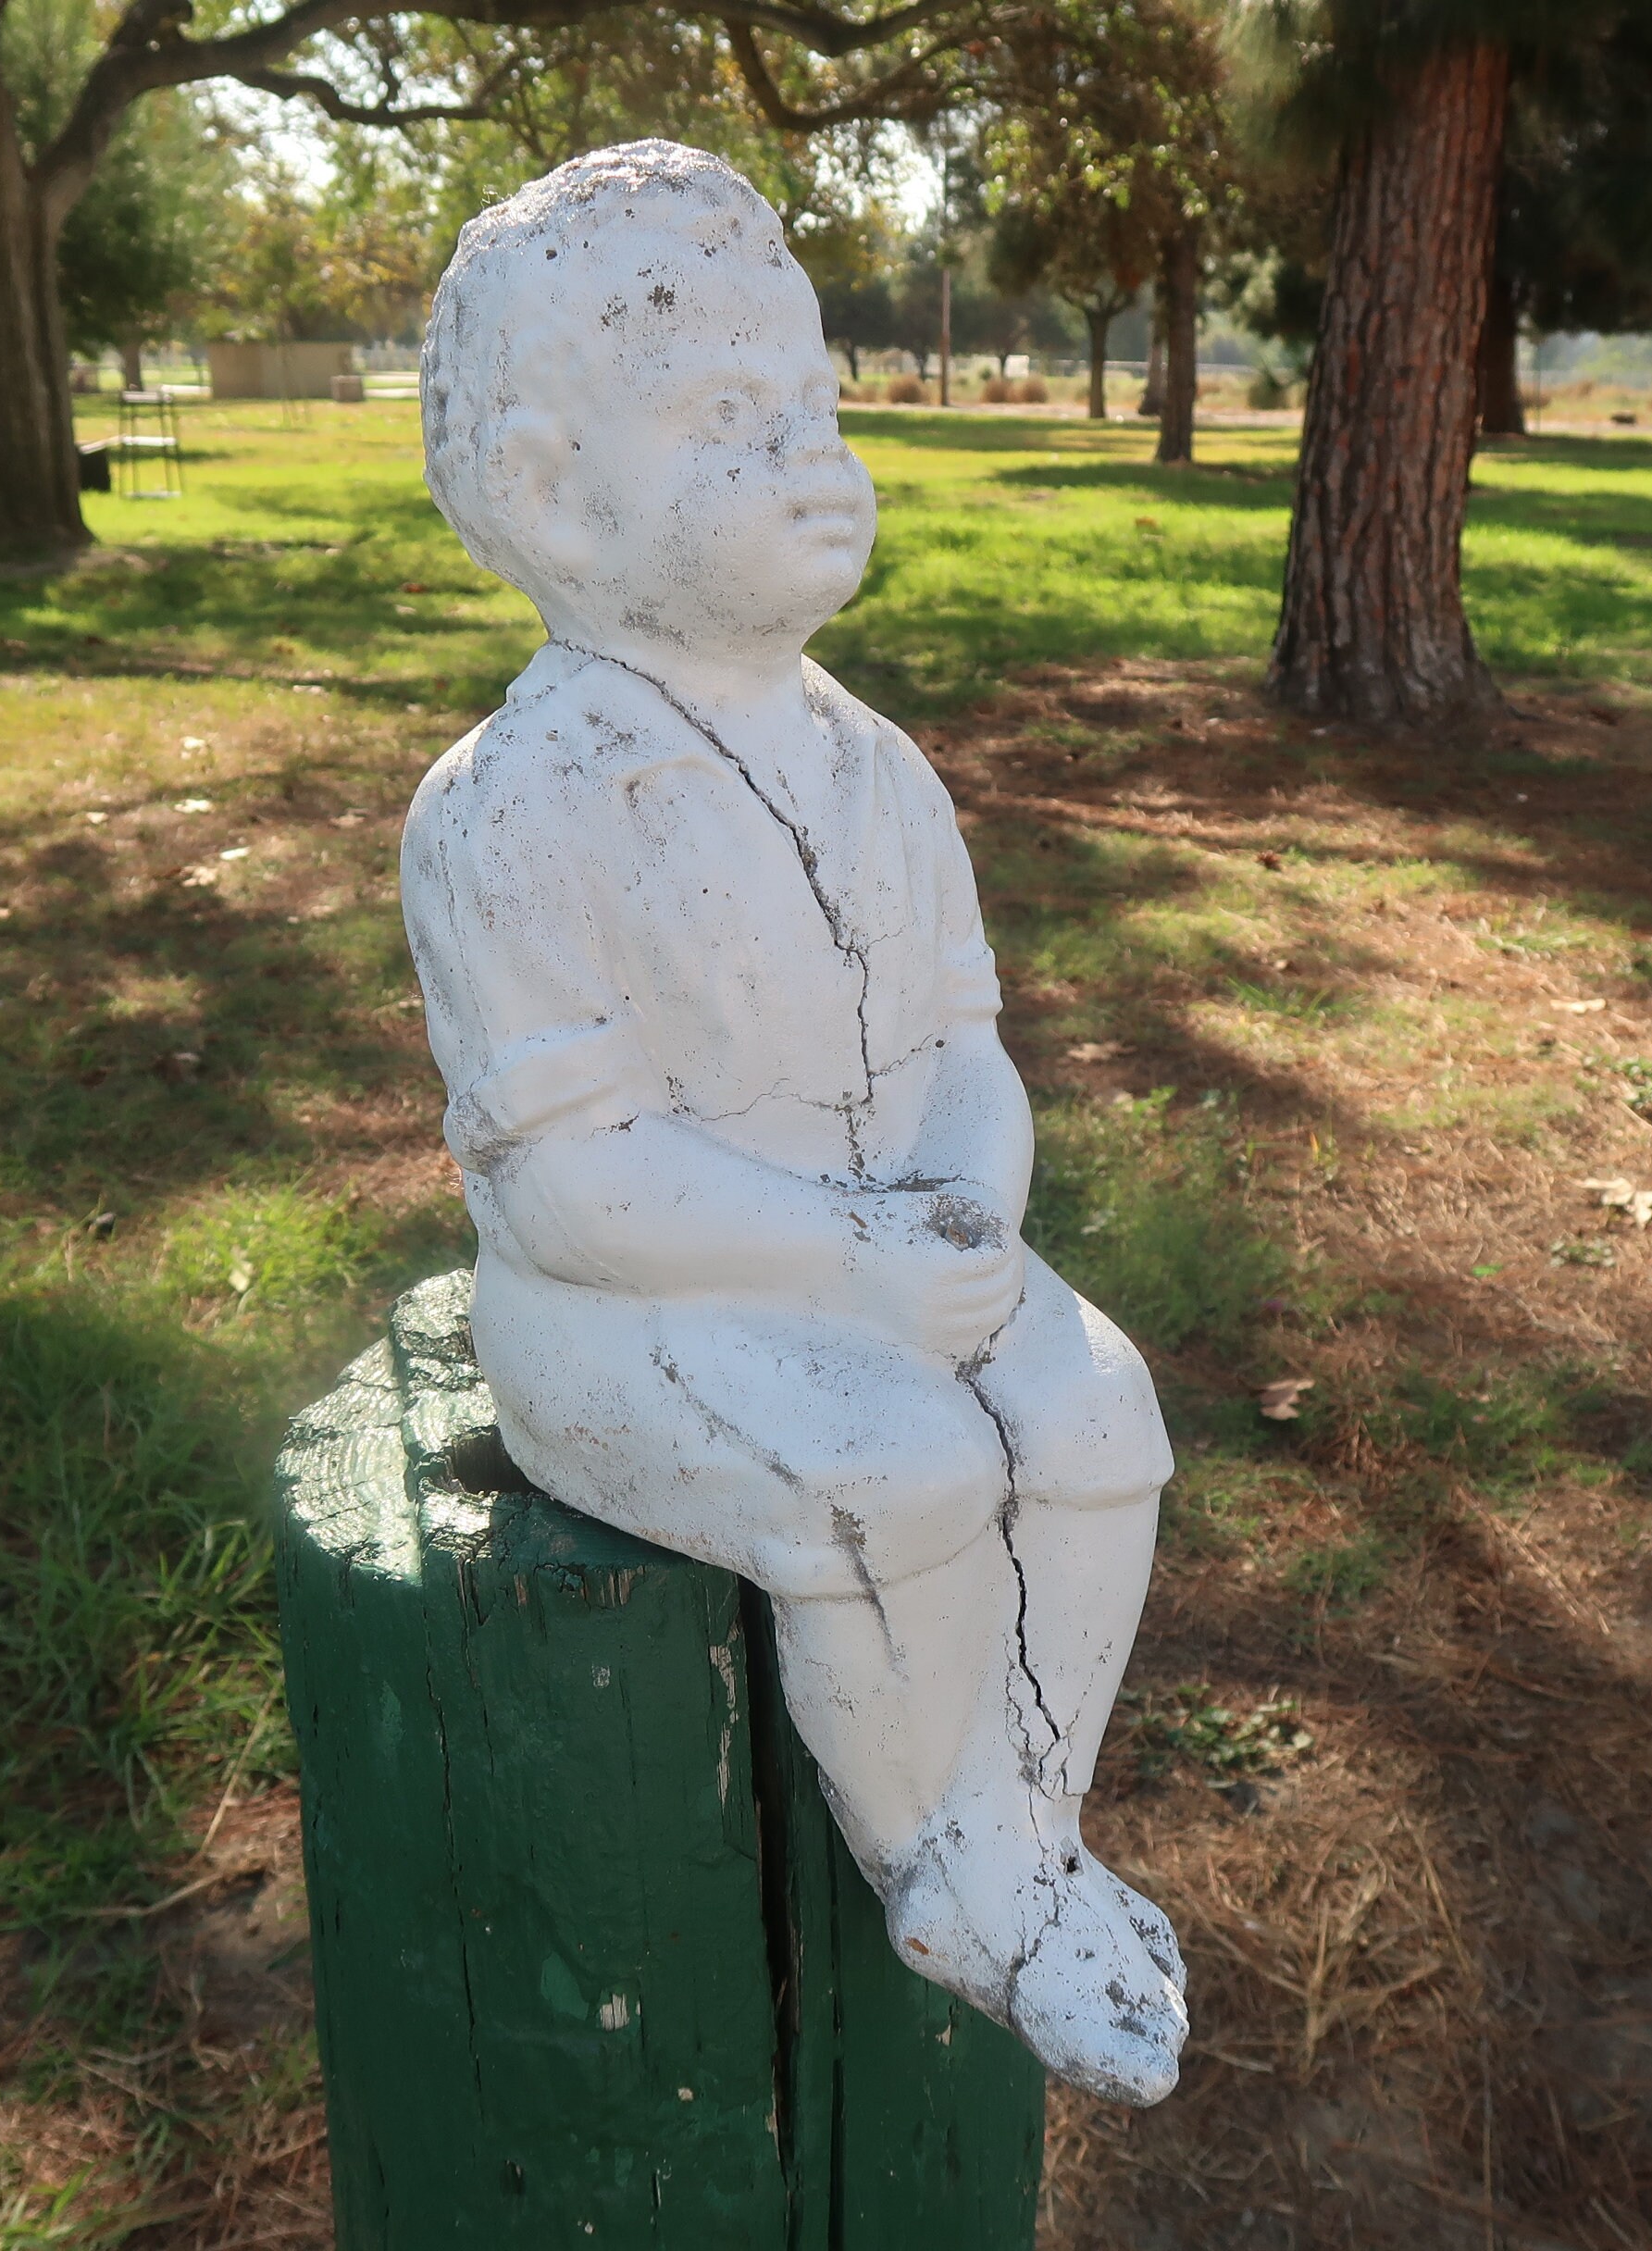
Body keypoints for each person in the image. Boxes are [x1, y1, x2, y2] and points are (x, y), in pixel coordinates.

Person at [403, 139, 1186, 2105]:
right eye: (726, 419)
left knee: (1099, 1410)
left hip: (891, 1242)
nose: (813, 458)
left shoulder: (878, 765)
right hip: (635, 1300)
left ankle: (1010, 1836)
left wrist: (967, 1210)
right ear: (548, 497)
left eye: (816, 408)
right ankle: (956, 1874)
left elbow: (961, 1047)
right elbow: (575, 1184)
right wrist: (842, 1259)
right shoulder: (511, 804)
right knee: (896, 1470)